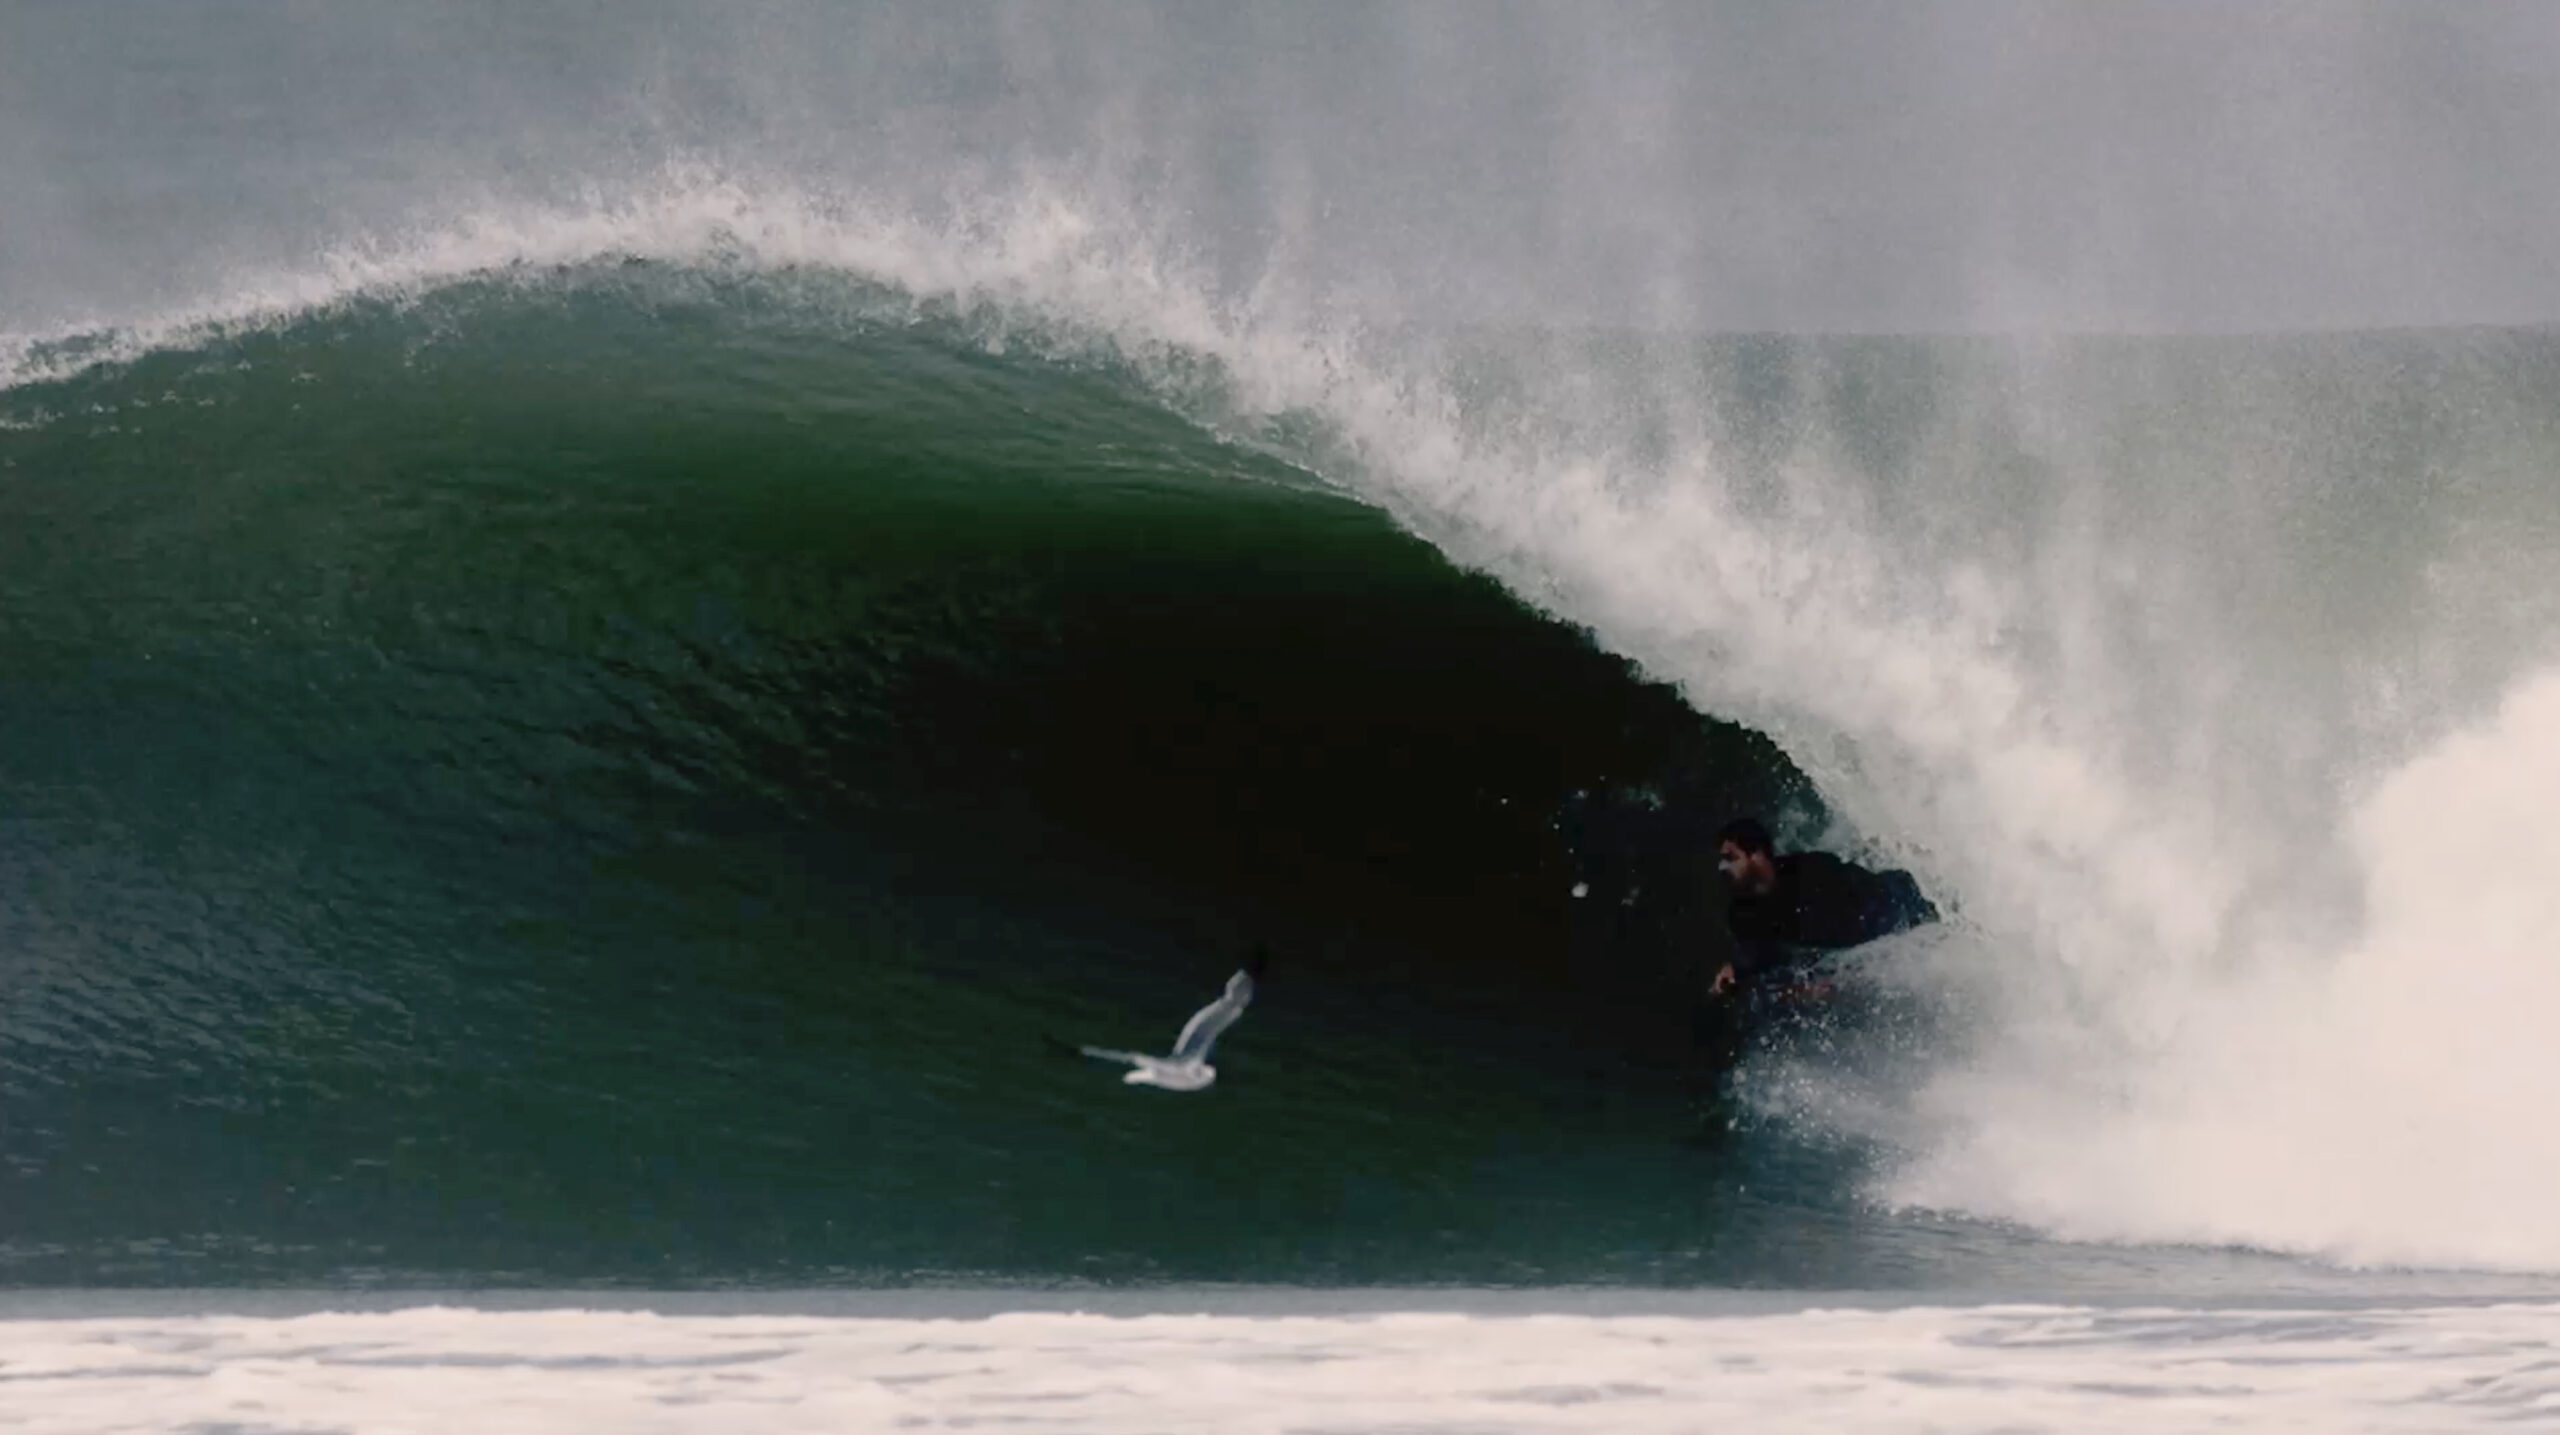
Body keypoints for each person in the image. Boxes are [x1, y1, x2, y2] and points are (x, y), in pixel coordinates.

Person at [1708, 816, 1937, 999]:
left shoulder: (1812, 872)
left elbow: (1869, 909)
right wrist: (1736, 970)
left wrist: (1838, 980)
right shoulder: (1741, 915)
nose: (1721, 867)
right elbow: (1761, 957)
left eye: (1730, 857)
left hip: (1899, 900)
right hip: (1869, 938)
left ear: (1756, 855)